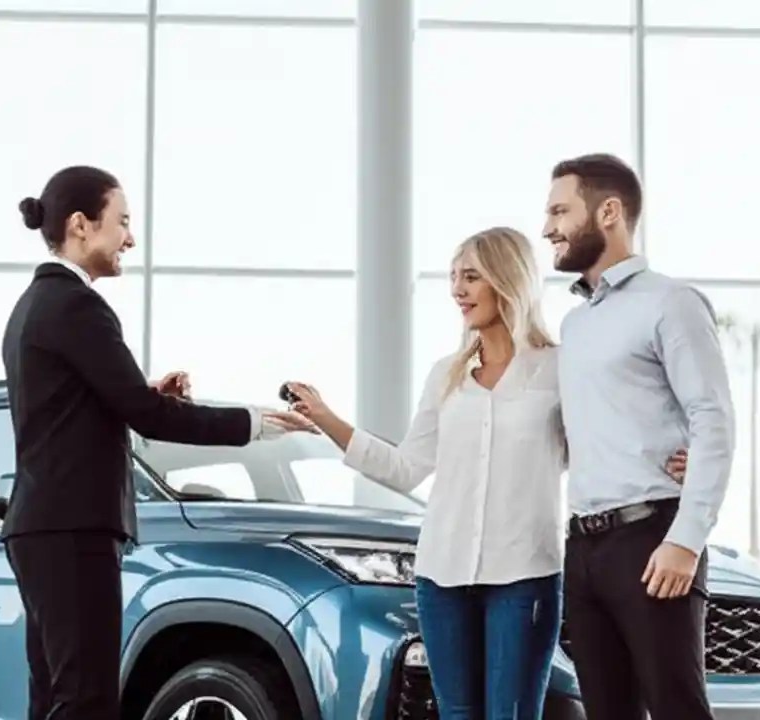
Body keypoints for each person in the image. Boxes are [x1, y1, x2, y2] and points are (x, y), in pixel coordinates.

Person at [284, 227, 688, 719]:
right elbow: (406, 467)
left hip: (525, 577)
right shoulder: (446, 376)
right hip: (441, 576)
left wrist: (676, 453)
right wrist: (326, 418)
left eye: (471, 276)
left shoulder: (561, 368)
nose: (458, 290)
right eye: (454, 277)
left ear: (507, 279)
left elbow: (606, 438)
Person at [0, 165, 311, 720]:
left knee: (55, 695)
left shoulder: (34, 306)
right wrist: (253, 422)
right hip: (74, 527)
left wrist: (141, 392)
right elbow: (147, 418)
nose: (130, 239)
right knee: (88, 698)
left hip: (41, 524)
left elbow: (73, 406)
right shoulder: (77, 305)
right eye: (121, 222)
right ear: (80, 225)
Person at [543, 152, 735, 720]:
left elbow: (714, 419)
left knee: (677, 708)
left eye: (559, 210)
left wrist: (686, 538)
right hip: (583, 548)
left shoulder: (670, 302)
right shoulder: (575, 325)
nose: (547, 227)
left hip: (652, 538)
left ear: (608, 212)